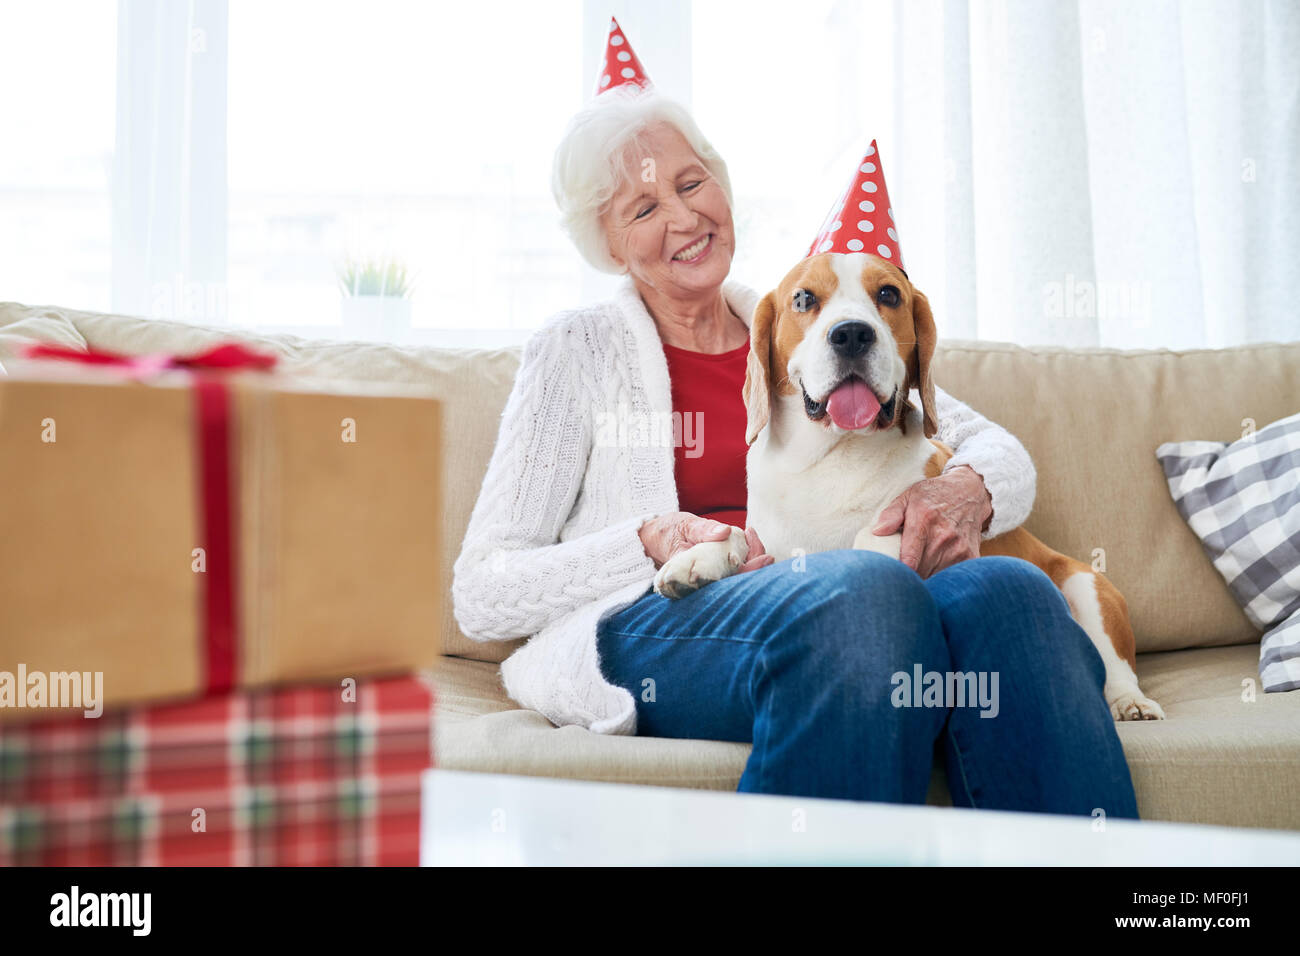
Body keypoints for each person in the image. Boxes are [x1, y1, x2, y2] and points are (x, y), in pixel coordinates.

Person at [451, 83, 1139, 817]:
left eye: (691, 183)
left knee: (1015, 593)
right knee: (865, 595)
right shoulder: (575, 351)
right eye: (645, 208)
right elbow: (482, 590)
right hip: (657, 625)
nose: (683, 215)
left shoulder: (798, 325)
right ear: (609, 245)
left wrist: (962, 491)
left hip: (835, 599)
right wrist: (648, 541)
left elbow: (985, 445)